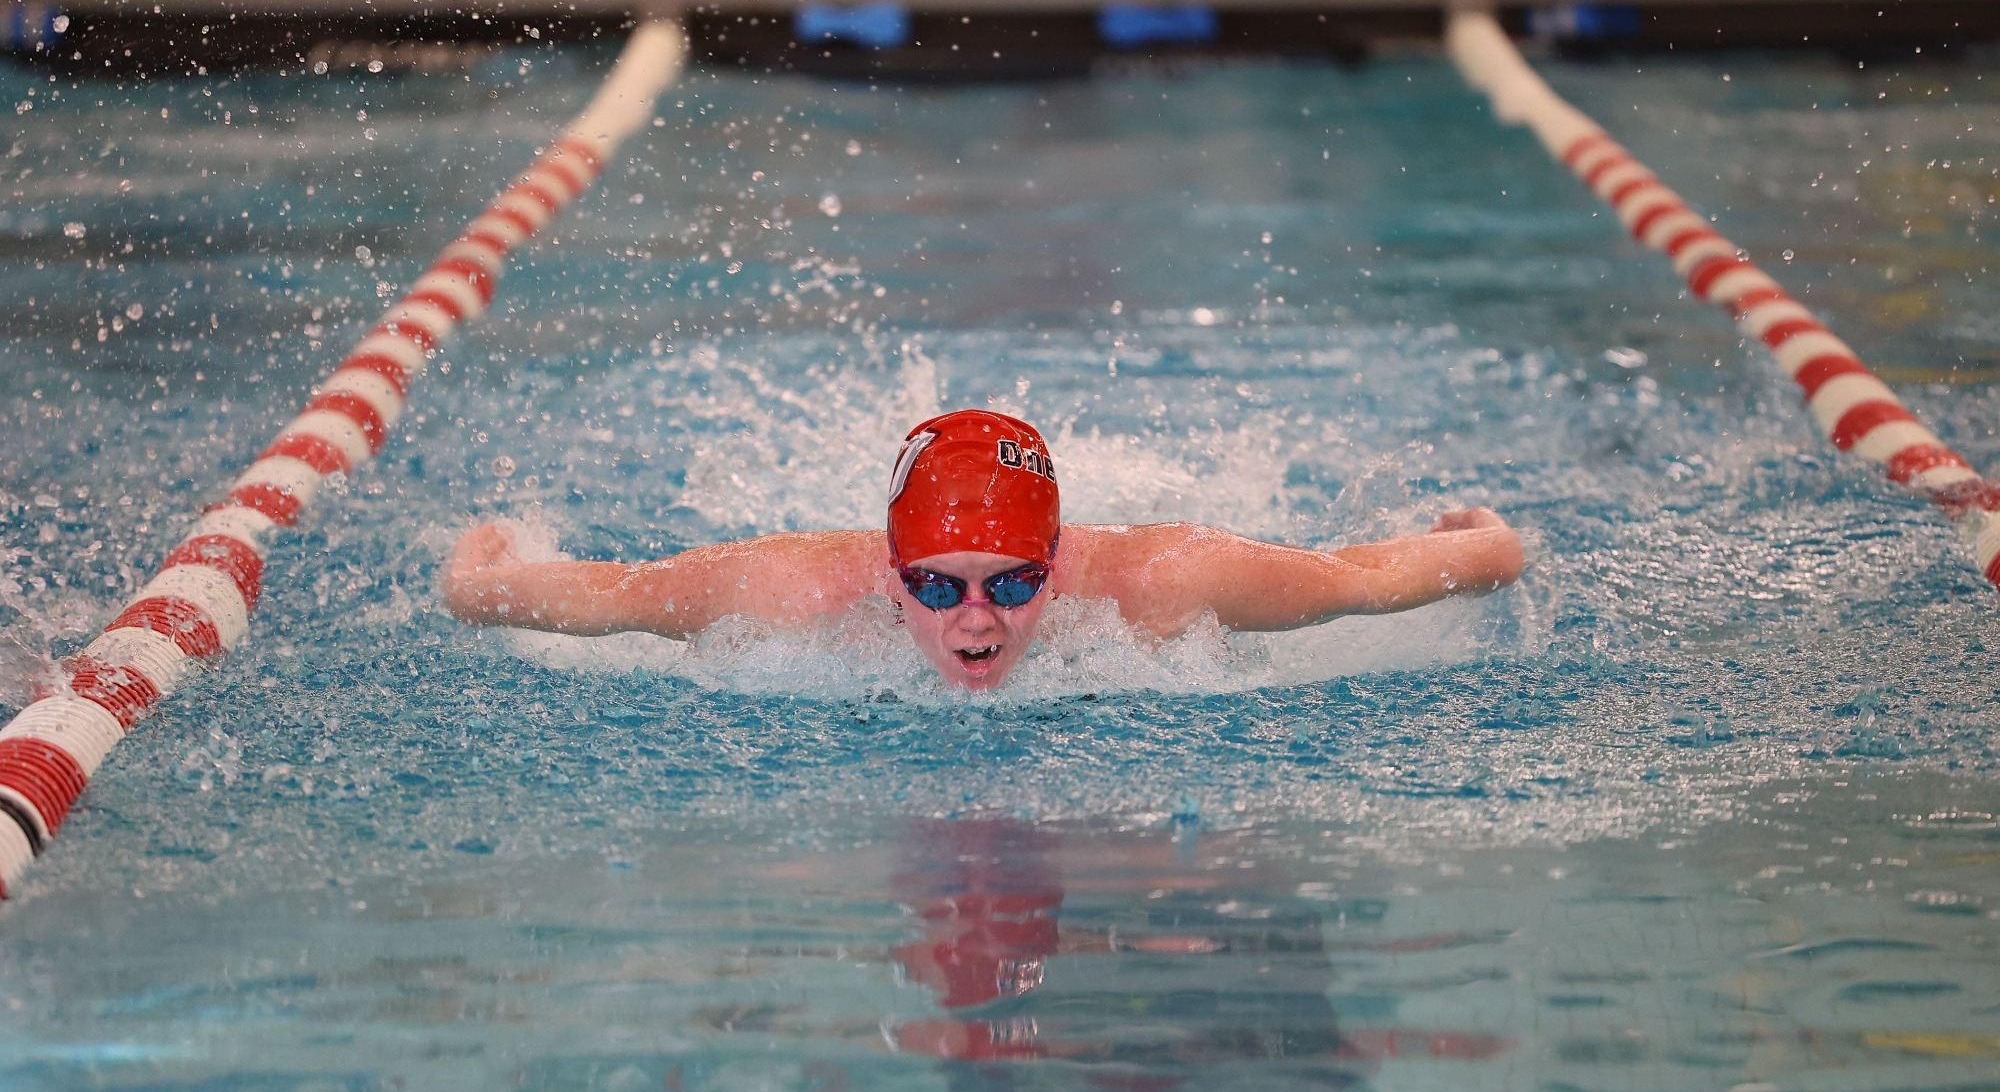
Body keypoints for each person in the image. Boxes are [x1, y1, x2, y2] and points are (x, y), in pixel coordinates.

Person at [442, 409, 1524, 691]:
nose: (975, 619)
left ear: (1059, 561)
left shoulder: (1159, 583)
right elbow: (612, 596)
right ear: (887, 572)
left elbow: (1365, 580)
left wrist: (1485, 542)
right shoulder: (788, 592)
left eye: (1012, 582)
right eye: (935, 586)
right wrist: (478, 580)